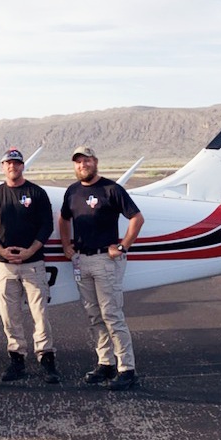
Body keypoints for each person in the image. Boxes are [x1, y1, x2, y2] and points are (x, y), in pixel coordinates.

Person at [58, 146, 144, 390]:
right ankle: (105, 363)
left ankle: (127, 368)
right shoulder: (72, 192)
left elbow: (137, 218)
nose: (82, 165)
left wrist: (123, 246)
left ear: (95, 162)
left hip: (105, 261)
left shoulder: (111, 189)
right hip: (82, 261)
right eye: (78, 162)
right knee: (94, 316)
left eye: (86, 161)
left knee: (112, 315)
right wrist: (66, 245)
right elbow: (64, 219)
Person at [0, 148, 60, 383]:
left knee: (40, 312)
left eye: (16, 163)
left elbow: (46, 226)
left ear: (22, 166)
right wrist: (0, 249)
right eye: (8, 163)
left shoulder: (36, 193)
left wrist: (30, 250)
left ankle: (46, 358)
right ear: (2, 166)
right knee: (9, 314)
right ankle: (17, 358)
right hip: (5, 264)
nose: (12, 167)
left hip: (33, 263)